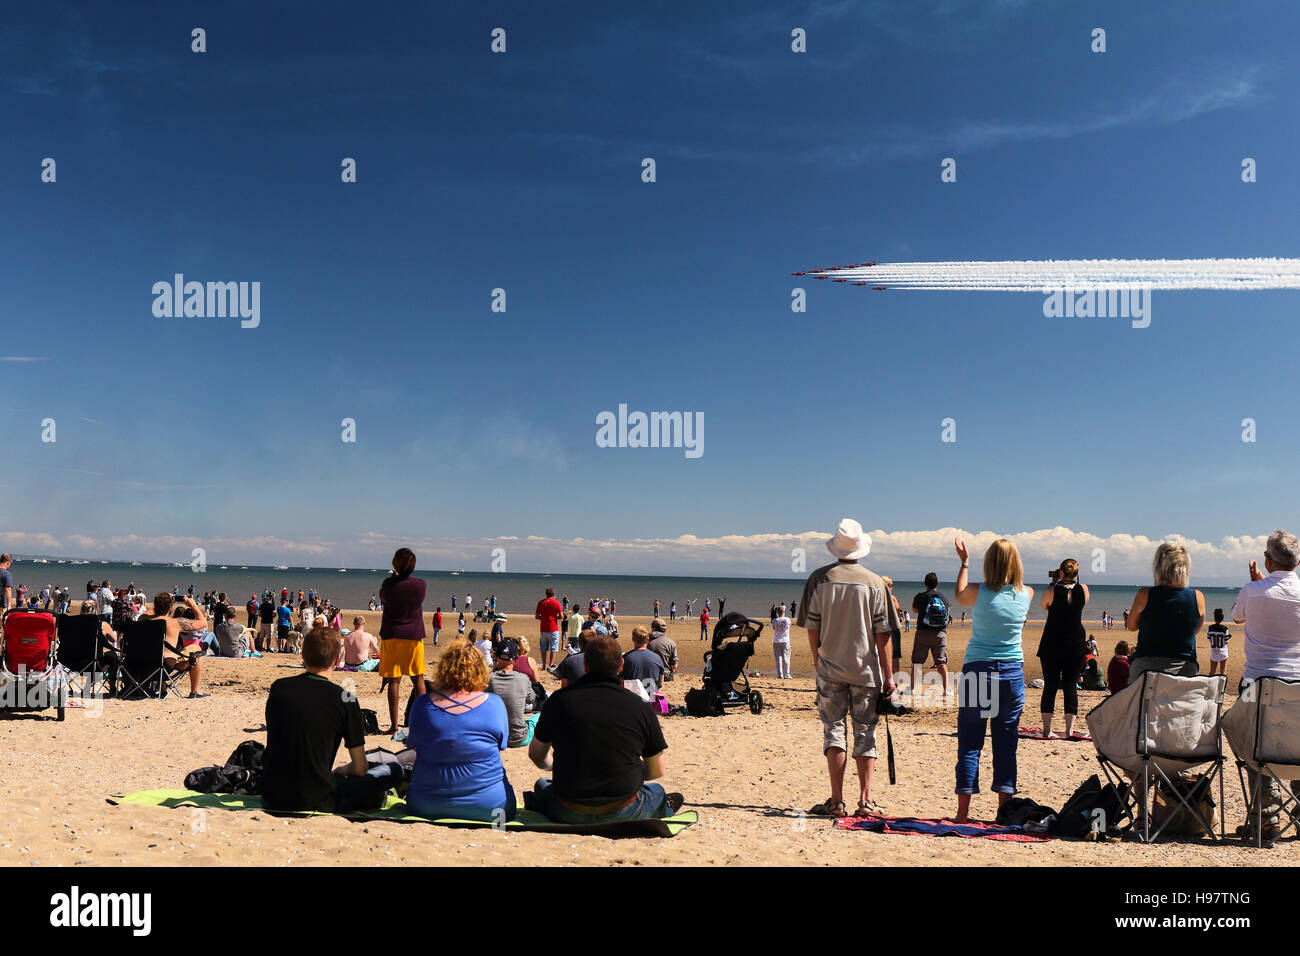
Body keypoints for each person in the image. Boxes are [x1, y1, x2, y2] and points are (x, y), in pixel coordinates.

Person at [797, 518, 897, 818]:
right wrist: (889, 676)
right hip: (865, 671)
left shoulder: (819, 579)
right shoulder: (875, 582)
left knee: (834, 731)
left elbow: (812, 628)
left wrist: (818, 661)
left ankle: (837, 800)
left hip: (830, 669)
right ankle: (866, 801)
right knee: (866, 732)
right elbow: (883, 636)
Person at [529, 635, 679, 823]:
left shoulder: (558, 700)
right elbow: (657, 770)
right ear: (622, 665)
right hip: (623, 808)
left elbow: (536, 754)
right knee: (657, 790)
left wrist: (553, 765)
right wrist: (633, 773)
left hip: (568, 806)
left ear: (585, 665)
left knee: (543, 784)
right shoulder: (639, 705)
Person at [261, 627, 399, 813]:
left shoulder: (279, 689)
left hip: (272, 795)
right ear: (336, 660)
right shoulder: (345, 699)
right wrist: (342, 770)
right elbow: (359, 768)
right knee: (394, 770)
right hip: (317, 797)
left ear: (303, 656)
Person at [951, 536, 1033, 823]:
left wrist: (964, 562)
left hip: (978, 671)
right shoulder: (1027, 593)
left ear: (989, 563)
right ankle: (1003, 813)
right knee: (1006, 742)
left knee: (970, 741)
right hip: (1010, 673)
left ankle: (963, 814)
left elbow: (959, 593)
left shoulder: (979, 591)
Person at [1231, 530, 1300, 841]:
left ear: (1268, 561)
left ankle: (1266, 815)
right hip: (1298, 682)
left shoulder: (1252, 589)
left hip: (1253, 682)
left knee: (1249, 738)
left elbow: (1237, 618)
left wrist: (1259, 583)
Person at [406, 639, 516, 823]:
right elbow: (500, 745)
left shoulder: (422, 704)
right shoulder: (494, 704)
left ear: (443, 669)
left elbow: (413, 746)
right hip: (490, 806)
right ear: (480, 670)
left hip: (425, 804)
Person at [1125, 542, 1204, 679]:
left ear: (1158, 567)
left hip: (1147, 670)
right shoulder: (1198, 597)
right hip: (1184, 670)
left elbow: (1131, 626)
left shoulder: (1145, 595)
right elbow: (1194, 630)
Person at [1036, 558, 1090, 739]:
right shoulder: (1084, 589)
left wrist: (1054, 584)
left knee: (1050, 685)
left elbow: (1045, 607)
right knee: (1070, 686)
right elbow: (1081, 602)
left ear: (1060, 572)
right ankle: (1068, 731)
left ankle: (1047, 730)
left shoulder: (1051, 590)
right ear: (1076, 573)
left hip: (1052, 641)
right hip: (1075, 642)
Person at [377, 547, 428, 735]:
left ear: (395, 564)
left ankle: (394, 726)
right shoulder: (420, 585)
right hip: (413, 635)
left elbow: (384, 597)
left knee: (394, 680)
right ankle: (423, 724)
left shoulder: (388, 584)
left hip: (392, 634)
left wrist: (394, 578)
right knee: (418, 679)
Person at [139, 593, 210, 698]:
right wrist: (193, 605)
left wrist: (162, 603)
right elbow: (203, 623)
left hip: (142, 665)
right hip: (166, 666)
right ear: (170, 607)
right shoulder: (175, 623)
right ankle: (195, 690)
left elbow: (149, 613)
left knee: (158, 651)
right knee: (196, 649)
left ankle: (162, 688)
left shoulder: (143, 619)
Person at [489, 638, 538, 748]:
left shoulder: (488, 679)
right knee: (538, 717)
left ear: (496, 656)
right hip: (519, 738)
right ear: (516, 658)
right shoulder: (523, 679)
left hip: (496, 738)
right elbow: (531, 699)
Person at [910, 572, 951, 699]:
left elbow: (915, 610)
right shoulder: (944, 597)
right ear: (937, 584)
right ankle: (947, 689)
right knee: (941, 662)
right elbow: (947, 613)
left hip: (922, 632)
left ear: (925, 584)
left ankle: (913, 689)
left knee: (917, 662)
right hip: (939, 633)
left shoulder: (920, 596)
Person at [622, 626, 666, 691]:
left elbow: (621, 681)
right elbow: (660, 684)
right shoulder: (657, 658)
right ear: (647, 640)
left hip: (632, 697)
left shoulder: (626, 658)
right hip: (651, 697)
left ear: (633, 640)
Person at [535, 587, 563, 671]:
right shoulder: (556, 603)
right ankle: (550, 665)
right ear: (554, 595)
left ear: (546, 594)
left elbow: (536, 616)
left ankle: (543, 665)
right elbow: (561, 616)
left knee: (543, 648)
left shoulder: (541, 602)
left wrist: (544, 618)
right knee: (553, 647)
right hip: (553, 628)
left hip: (543, 628)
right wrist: (554, 617)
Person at [881, 576, 904, 678]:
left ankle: (882, 680)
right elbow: (898, 614)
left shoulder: (877, 598)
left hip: (881, 628)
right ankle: (894, 683)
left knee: (881, 655)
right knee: (895, 657)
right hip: (893, 628)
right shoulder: (892, 598)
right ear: (886, 586)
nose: (892, 587)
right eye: (891, 585)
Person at [1207, 608, 1231, 676]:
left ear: (1214, 618)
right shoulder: (1225, 629)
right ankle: (1221, 686)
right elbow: (1227, 641)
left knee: (1212, 672)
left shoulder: (1210, 628)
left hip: (1213, 652)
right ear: (1222, 618)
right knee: (1223, 673)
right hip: (1223, 652)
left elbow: (1209, 639)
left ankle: (1210, 686)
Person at [771, 604, 792, 678]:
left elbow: (774, 627)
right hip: (785, 640)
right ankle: (787, 674)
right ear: (784, 612)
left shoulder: (774, 620)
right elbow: (789, 626)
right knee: (786, 657)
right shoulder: (787, 619)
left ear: (777, 613)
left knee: (778, 658)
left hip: (777, 640)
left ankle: (780, 674)